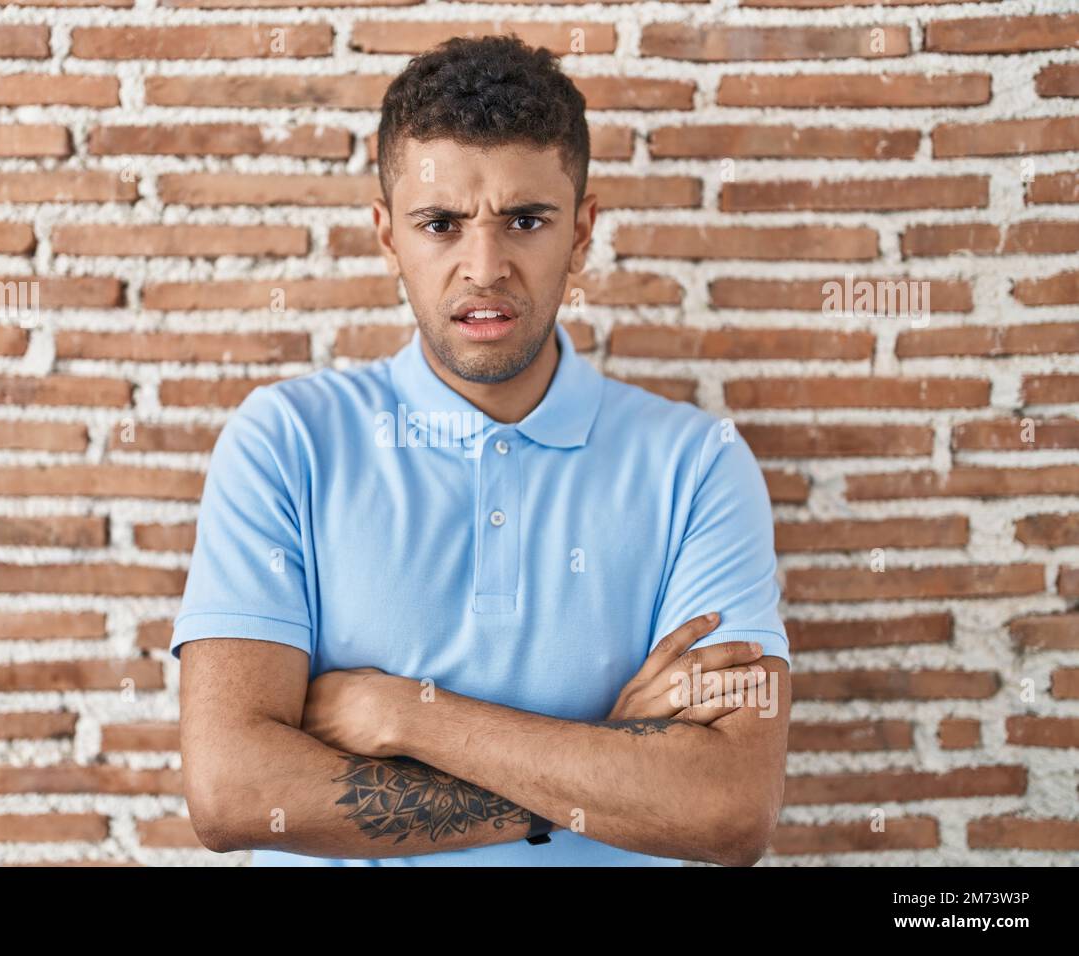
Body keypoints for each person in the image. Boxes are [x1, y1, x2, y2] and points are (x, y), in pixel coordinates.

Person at [172, 33, 792, 867]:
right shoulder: (284, 441)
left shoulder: (700, 464)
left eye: (526, 220)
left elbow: (726, 809)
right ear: (389, 236)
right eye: (442, 224)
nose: (485, 266)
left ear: (581, 233)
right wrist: (607, 756)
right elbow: (234, 793)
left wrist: (407, 716)